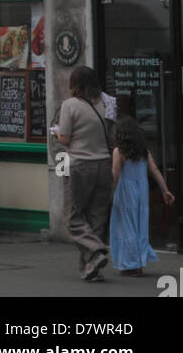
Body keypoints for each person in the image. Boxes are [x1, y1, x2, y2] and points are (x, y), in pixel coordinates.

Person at [55, 65, 113, 282]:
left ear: (74, 83)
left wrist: (56, 133)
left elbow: (65, 139)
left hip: (80, 164)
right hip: (104, 164)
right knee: (96, 215)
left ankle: (96, 251)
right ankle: (91, 268)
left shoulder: (69, 105)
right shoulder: (104, 104)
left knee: (72, 217)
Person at [110, 116, 174, 277]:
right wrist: (165, 190)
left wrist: (110, 194)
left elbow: (115, 174)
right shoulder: (144, 151)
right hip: (141, 192)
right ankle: (138, 262)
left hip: (125, 191)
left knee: (126, 228)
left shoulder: (119, 152)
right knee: (139, 226)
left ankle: (131, 265)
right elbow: (155, 170)